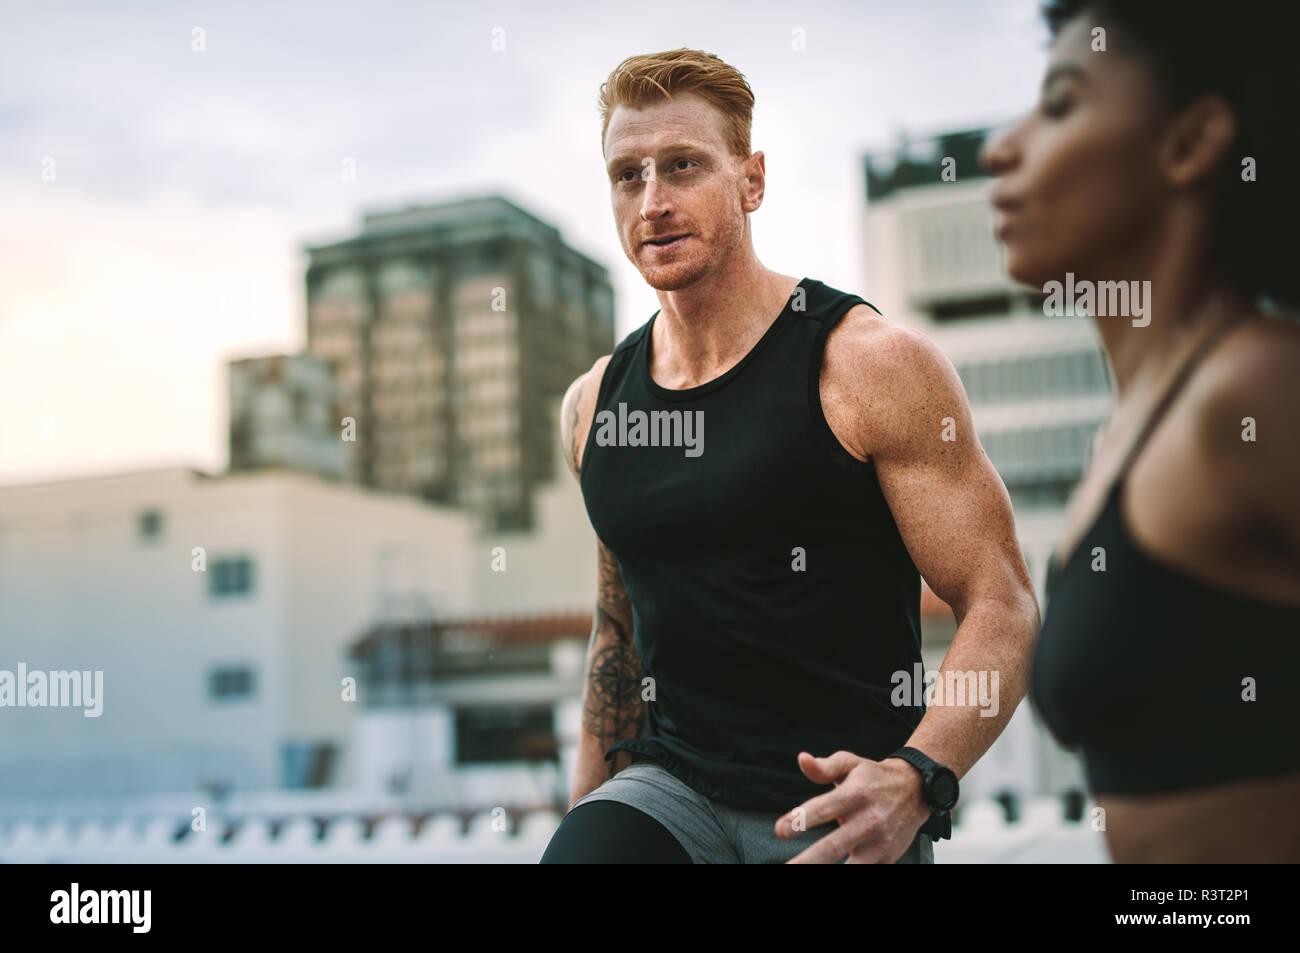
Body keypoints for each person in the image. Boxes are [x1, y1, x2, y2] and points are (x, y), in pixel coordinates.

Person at [540, 48, 1039, 864]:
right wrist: (584, 819)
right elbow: (617, 627)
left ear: (752, 181)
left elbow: (1002, 600)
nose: (654, 201)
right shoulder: (594, 407)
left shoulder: (866, 364)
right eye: (627, 175)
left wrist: (918, 778)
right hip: (671, 790)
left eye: (682, 165)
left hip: (840, 801)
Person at [983, 0, 1300, 862]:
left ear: (1191, 143)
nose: (997, 148)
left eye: (1061, 105)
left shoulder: (1254, 388)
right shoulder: (1131, 432)